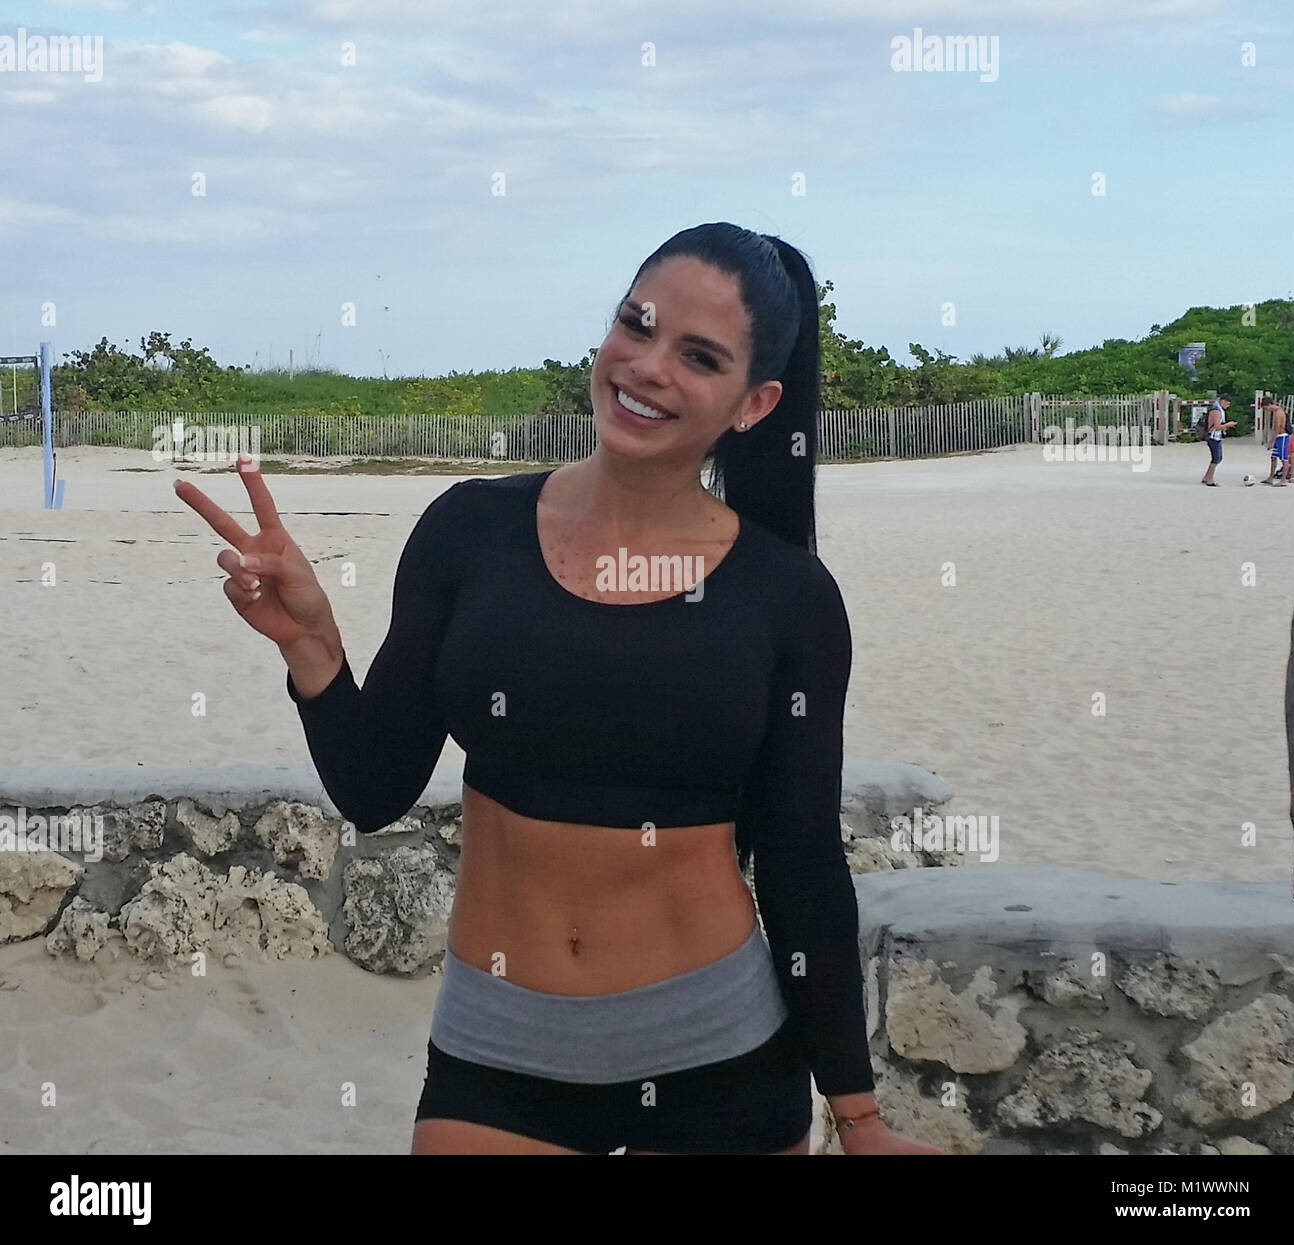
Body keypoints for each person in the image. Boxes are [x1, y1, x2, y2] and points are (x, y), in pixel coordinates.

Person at [175, 222, 940, 1156]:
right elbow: (375, 791)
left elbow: (801, 859)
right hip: (499, 1044)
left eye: (698, 356)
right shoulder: (469, 530)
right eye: (638, 324)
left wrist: (857, 1117)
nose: (648, 365)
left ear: (755, 402)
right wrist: (314, 648)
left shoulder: (788, 598)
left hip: (716, 1047)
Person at [1200, 395, 1234, 486]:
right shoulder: (1217, 411)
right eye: (1227, 403)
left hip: (1215, 437)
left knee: (1218, 458)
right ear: (1222, 401)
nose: (1228, 406)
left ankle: (1207, 477)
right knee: (1216, 458)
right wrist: (1228, 425)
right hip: (1213, 437)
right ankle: (1209, 479)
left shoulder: (1217, 410)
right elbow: (1217, 427)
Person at [1264, 398, 1291, 484]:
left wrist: (1272, 441)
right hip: (1279, 437)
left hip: (1282, 437)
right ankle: (1271, 477)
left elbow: (1277, 428)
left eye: (1266, 408)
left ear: (1269, 405)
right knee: (1273, 457)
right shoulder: (1276, 412)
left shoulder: (1278, 412)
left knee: (1284, 458)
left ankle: (1283, 480)